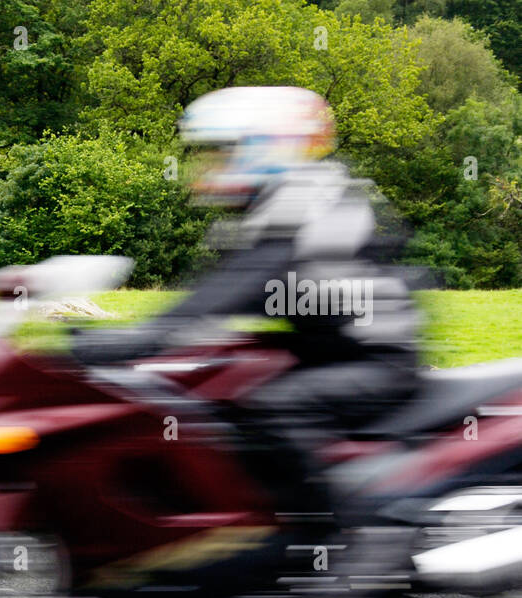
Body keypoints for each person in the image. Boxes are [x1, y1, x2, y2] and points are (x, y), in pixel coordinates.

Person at [73, 86, 424, 516]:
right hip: (327, 351)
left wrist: (127, 342)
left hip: (376, 363)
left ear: (264, 148)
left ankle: (335, 533)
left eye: (222, 152)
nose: (209, 166)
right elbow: (221, 294)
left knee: (277, 404)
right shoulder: (290, 203)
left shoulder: (305, 209)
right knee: (224, 383)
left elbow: (223, 297)